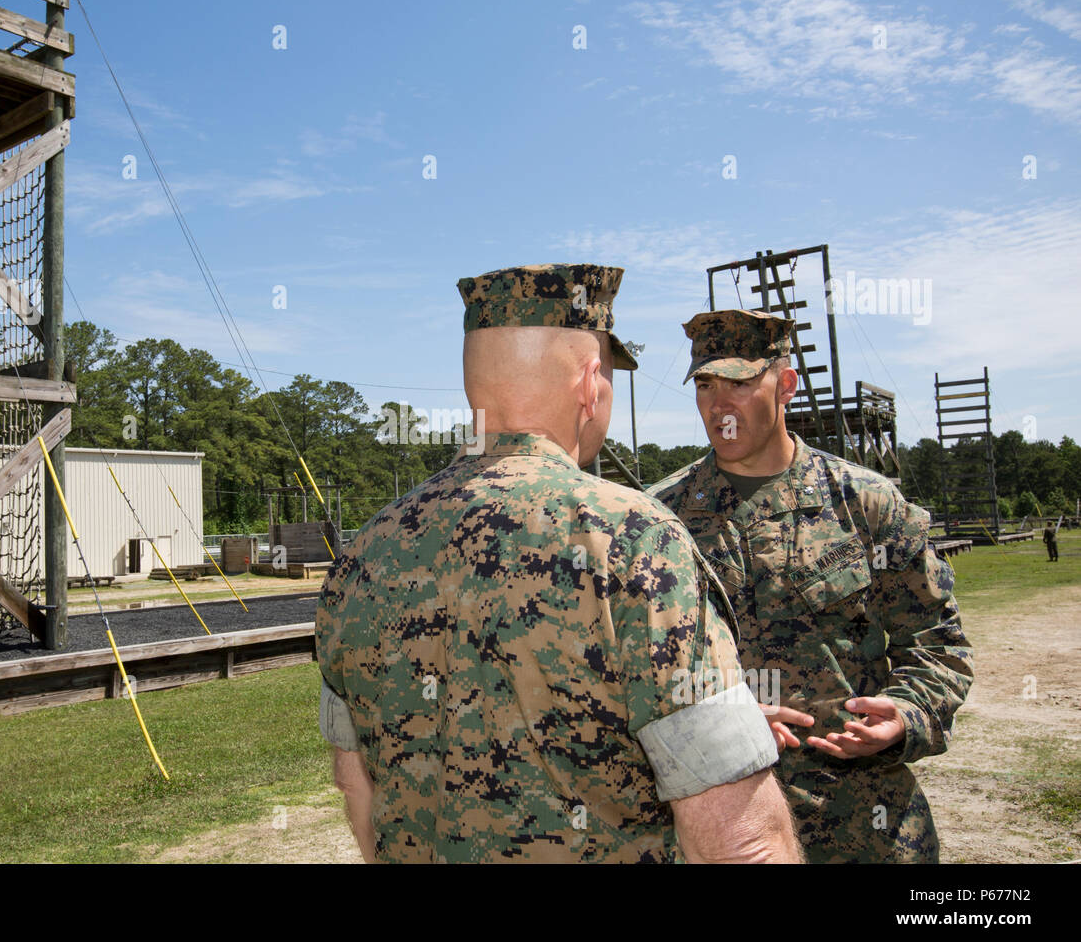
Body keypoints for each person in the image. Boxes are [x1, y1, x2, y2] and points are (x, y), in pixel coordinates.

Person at [315, 265, 801, 863]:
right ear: (589, 383)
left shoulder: (364, 552)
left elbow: (355, 783)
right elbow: (739, 840)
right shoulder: (633, 539)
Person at [648, 308, 974, 863]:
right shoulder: (659, 522)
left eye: (742, 383)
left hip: (866, 827)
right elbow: (636, 676)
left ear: (786, 387)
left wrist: (905, 714)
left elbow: (938, 642)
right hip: (729, 828)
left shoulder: (866, 505)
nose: (719, 405)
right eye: (705, 385)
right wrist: (723, 717)